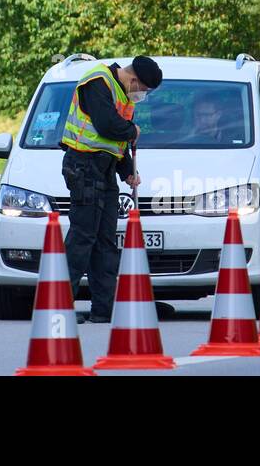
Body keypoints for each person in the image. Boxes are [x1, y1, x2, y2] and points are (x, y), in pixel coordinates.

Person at [61, 55, 162, 324]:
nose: (142, 96)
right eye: (143, 90)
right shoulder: (98, 81)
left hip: (104, 170)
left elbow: (114, 142)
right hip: (83, 166)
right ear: (133, 79)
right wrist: (132, 130)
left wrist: (127, 170)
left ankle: (103, 309)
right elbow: (107, 125)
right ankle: (58, 304)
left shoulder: (124, 96)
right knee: (82, 237)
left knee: (105, 240)